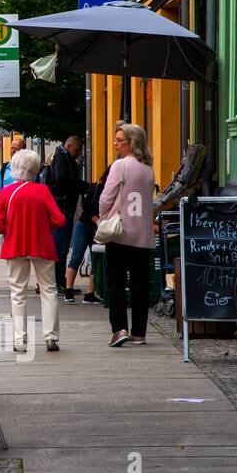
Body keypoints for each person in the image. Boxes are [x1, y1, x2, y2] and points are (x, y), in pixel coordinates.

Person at [0, 148, 65, 353]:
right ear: (34, 170)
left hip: (15, 246)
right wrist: (42, 224)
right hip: (41, 246)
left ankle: (20, 340)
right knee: (49, 291)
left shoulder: (6, 193)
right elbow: (60, 219)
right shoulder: (42, 191)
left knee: (18, 293)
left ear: (15, 168)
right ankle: (51, 337)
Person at [99, 123, 157, 347]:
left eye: (120, 140)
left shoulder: (119, 166)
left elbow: (106, 197)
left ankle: (119, 329)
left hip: (121, 233)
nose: (115, 144)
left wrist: (104, 216)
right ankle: (139, 333)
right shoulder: (148, 169)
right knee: (140, 285)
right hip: (142, 235)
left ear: (132, 143)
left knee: (115, 283)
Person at [45, 136, 85, 297]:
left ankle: (60, 282)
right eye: (76, 150)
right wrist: (82, 186)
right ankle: (58, 282)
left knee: (61, 247)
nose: (78, 154)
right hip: (61, 210)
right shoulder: (62, 158)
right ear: (68, 146)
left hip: (63, 209)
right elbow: (62, 180)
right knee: (60, 248)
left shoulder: (63, 157)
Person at [0, 136, 25, 210]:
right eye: (11, 148)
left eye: (16, 149)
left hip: (21, 208)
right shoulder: (4, 168)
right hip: (6, 208)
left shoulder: (27, 169)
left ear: (23, 151)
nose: (13, 151)